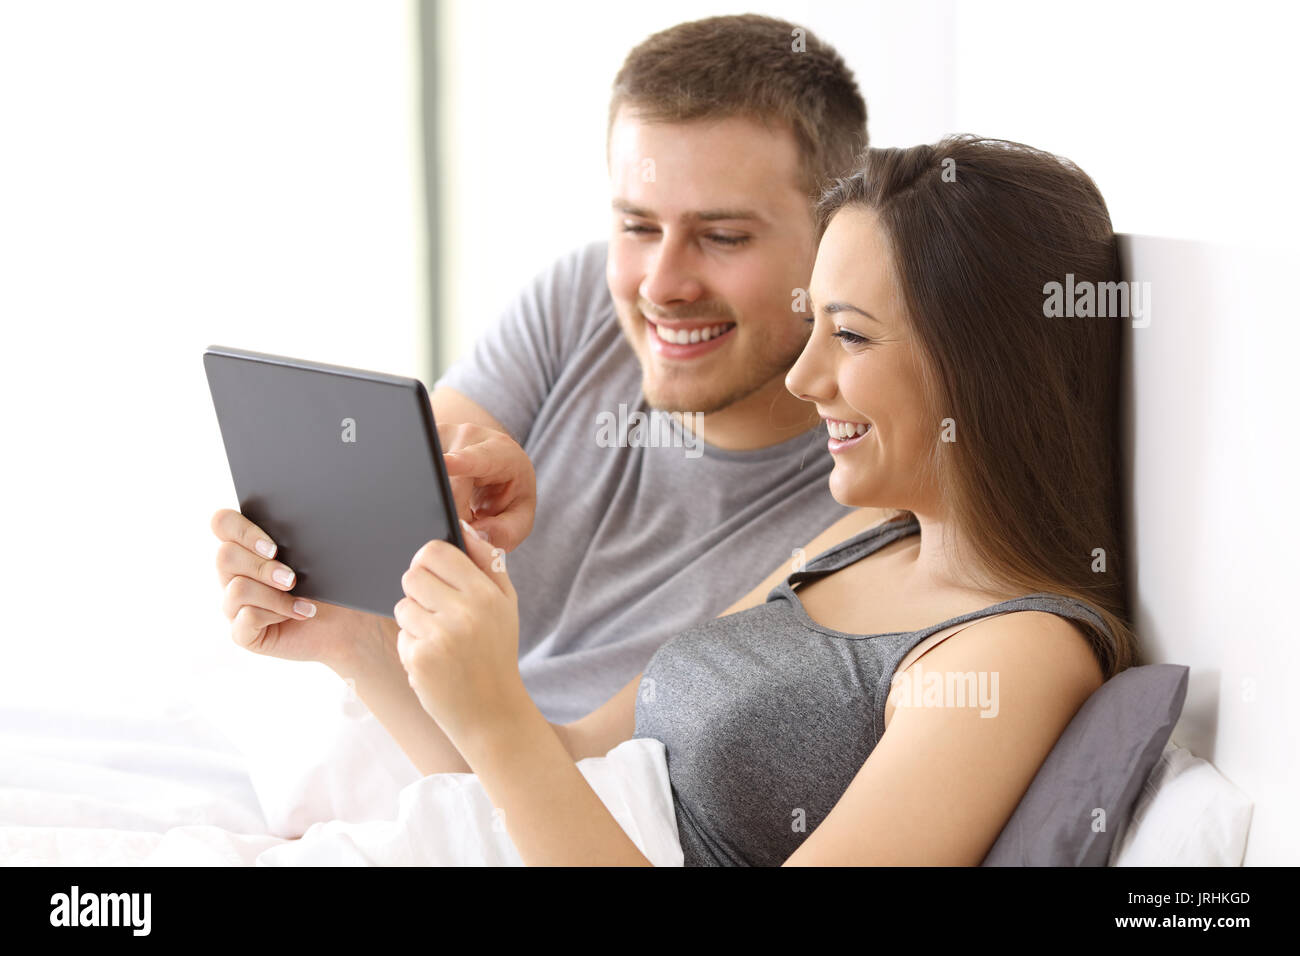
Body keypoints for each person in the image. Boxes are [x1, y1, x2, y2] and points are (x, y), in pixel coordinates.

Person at [385, 136, 1140, 866]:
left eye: (849, 334)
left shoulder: (1016, 654)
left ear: (982, 368)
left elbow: (521, 756)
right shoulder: (871, 534)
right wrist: (350, 643)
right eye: (814, 324)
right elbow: (571, 761)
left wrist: (498, 720)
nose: (803, 379)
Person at [212, 14, 877, 772]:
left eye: (723, 237)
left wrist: (363, 644)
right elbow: (368, 524)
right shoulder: (578, 303)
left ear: (836, 240)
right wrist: (311, 571)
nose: (661, 285)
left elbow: (566, 790)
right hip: (420, 758)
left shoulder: (869, 494)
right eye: (637, 226)